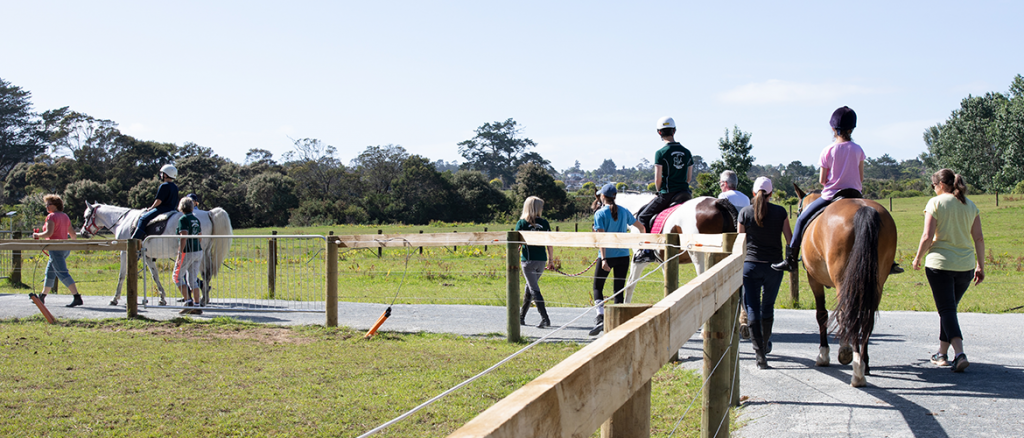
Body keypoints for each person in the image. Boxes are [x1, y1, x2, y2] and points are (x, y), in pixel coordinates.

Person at [772, 106, 864, 272]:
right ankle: (890, 261)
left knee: (801, 220)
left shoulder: (828, 150)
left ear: (833, 129)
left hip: (831, 196)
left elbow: (822, 180)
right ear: (852, 129)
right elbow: (861, 177)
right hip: (856, 195)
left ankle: (791, 260)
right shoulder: (858, 149)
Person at [912, 169, 984, 373]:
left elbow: (927, 235)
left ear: (941, 185)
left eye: (933, 186)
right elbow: (979, 238)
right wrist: (980, 265)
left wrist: (917, 257)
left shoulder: (935, 203)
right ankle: (941, 354)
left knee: (947, 310)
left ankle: (959, 353)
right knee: (949, 309)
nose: (933, 189)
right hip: (966, 266)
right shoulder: (971, 205)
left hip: (940, 265)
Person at [737, 177, 792, 369]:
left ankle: (759, 354)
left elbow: (740, 242)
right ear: (771, 194)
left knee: (752, 308)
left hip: (750, 265)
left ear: (753, 193)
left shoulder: (745, 212)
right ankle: (765, 343)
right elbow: (789, 239)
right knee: (768, 306)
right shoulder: (780, 212)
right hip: (774, 266)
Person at [590, 183, 646, 336]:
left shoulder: (599, 214)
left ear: (602, 197)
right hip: (623, 255)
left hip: (607, 255)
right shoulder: (624, 211)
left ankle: (600, 316)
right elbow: (642, 228)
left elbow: (602, 238)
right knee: (618, 288)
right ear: (615, 196)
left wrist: (604, 259)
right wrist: (639, 245)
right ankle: (619, 321)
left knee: (597, 287)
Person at [635, 116, 693, 263]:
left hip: (668, 193)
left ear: (659, 133)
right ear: (674, 131)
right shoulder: (687, 152)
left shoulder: (660, 153)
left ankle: (647, 251)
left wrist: (659, 190)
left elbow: (658, 179)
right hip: (685, 193)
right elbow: (689, 178)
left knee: (642, 217)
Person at [31, 194, 84, 307]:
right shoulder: (65, 216)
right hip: (65, 248)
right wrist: (71, 244)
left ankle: (77, 297)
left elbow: (49, 233)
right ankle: (42, 296)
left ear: (55, 205)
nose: (46, 207)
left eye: (48, 204)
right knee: (50, 272)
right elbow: (73, 234)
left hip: (55, 248)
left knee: (62, 273)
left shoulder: (51, 217)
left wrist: (37, 235)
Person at [515, 196, 556, 328]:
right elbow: (549, 243)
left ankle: (545, 318)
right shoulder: (545, 223)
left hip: (528, 260)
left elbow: (517, 244)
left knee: (533, 288)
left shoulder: (521, 223)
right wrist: (551, 260)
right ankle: (521, 317)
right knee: (529, 287)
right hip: (541, 260)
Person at [131, 164, 180, 241]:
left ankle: (135, 240)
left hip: (162, 209)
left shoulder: (164, 186)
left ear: (166, 175)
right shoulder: (175, 187)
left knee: (143, 219)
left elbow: (158, 201)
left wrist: (151, 208)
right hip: (172, 209)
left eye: (162, 173)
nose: (161, 175)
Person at [173, 197, 204, 315]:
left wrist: (180, 252)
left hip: (187, 251)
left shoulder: (183, 219)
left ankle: (188, 302)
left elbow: (183, 236)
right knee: (193, 279)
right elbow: (200, 236)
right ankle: (197, 305)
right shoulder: (196, 219)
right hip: (198, 251)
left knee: (177, 276)